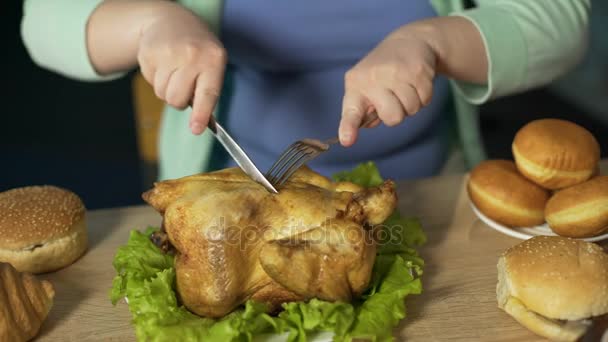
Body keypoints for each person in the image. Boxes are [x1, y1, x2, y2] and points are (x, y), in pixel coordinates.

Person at [20, 0, 590, 181]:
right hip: (226, 190)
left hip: (431, 192)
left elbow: (562, 20)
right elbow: (45, 21)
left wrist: (434, 40)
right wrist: (148, 22)